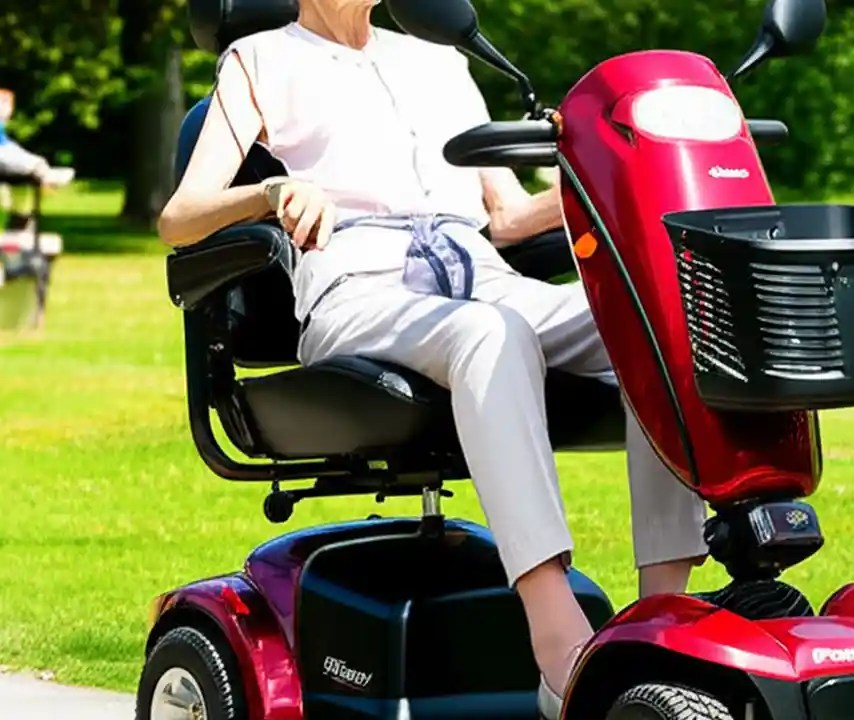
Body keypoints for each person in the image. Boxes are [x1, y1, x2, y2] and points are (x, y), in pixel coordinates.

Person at [157, 0, 709, 714]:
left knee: (659, 319)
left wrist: (603, 174)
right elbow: (180, 215)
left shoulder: (440, 61)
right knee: (490, 335)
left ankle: (658, 625)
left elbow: (505, 218)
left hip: (484, 278)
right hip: (359, 290)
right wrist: (271, 192)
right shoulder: (260, 59)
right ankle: (555, 639)